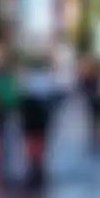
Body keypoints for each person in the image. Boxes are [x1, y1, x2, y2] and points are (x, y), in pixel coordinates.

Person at [18, 58, 64, 188]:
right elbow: (55, 97)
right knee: (40, 139)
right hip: (40, 114)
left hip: (31, 114)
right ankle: (38, 165)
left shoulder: (26, 80)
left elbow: (21, 97)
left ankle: (34, 164)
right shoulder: (47, 79)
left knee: (32, 140)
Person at [78, 57, 100, 153]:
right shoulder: (93, 77)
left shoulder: (94, 77)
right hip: (96, 101)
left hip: (97, 101)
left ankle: (97, 138)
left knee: (97, 121)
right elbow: (84, 88)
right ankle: (97, 138)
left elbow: (84, 88)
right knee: (97, 121)